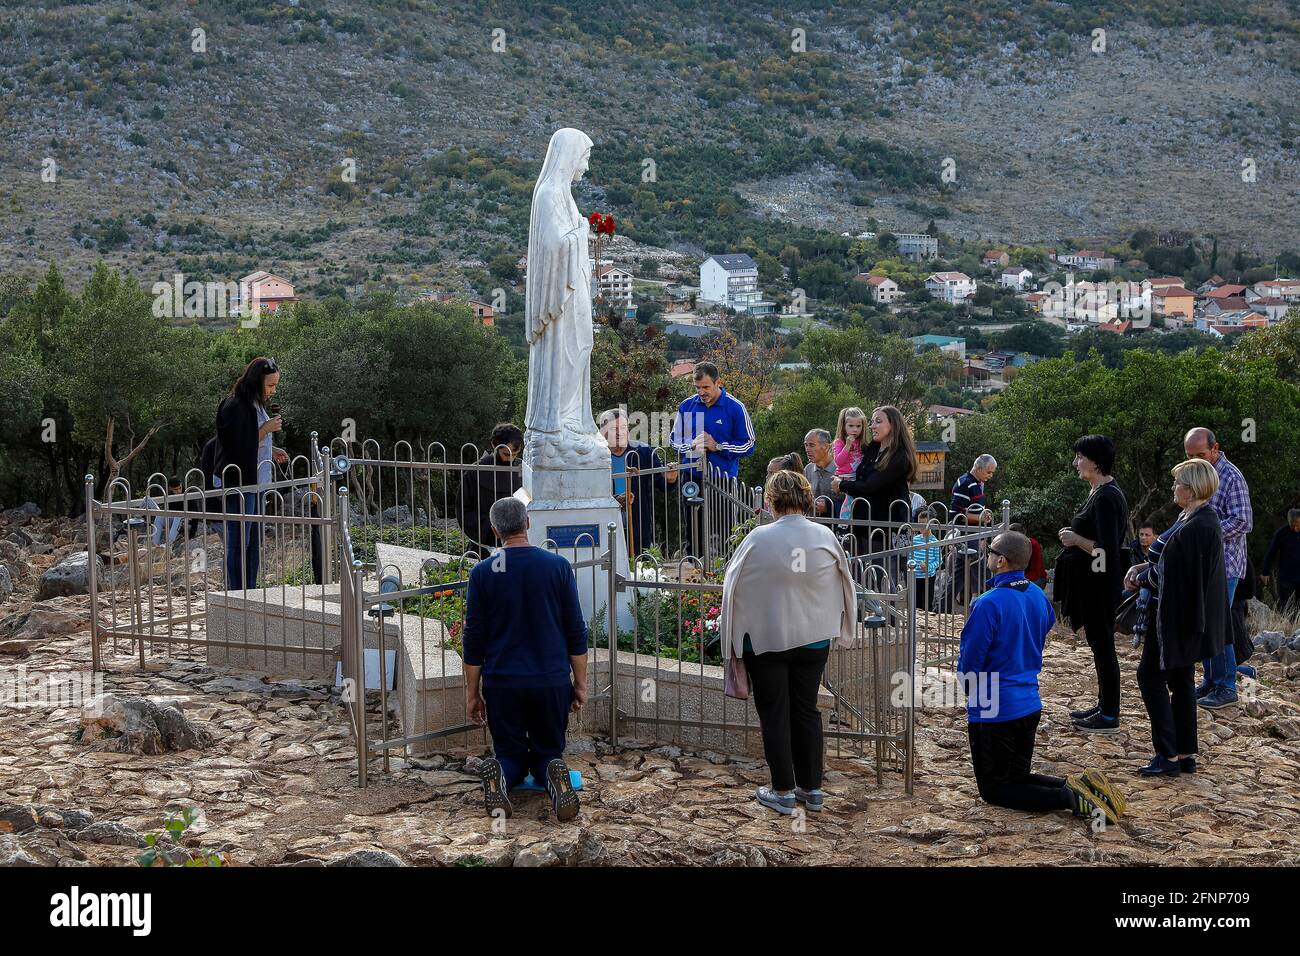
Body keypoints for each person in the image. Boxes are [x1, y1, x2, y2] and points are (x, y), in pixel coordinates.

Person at [960, 530, 1123, 824]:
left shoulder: (987, 603)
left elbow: (971, 661)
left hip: (995, 707)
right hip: (1029, 702)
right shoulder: (1036, 595)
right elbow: (1046, 623)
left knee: (995, 789)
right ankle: (1079, 786)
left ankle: (1069, 798)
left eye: (991, 552)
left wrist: (969, 692)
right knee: (1017, 776)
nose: (988, 556)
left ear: (1001, 562)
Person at [719, 470, 856, 815]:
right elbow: (845, 582)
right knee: (806, 710)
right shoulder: (824, 535)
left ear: (770, 500)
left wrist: (732, 640)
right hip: (813, 640)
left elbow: (732, 587)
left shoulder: (758, 539)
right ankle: (812, 790)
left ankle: (781, 790)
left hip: (767, 640)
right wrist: (843, 625)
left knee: (775, 714)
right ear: (808, 498)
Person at [464, 497, 588, 822]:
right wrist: (581, 684)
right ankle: (554, 773)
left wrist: (472, 693)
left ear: (494, 530)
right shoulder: (557, 567)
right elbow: (575, 630)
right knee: (548, 750)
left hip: (504, 681)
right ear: (528, 522)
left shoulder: (482, 573)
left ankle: (501, 777)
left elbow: (474, 639)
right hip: (550, 679)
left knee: (509, 752)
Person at [1125, 459, 1226, 775]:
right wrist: (1140, 568)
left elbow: (1174, 576)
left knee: (1150, 677)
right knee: (1180, 680)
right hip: (1179, 614)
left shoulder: (1199, 526)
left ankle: (1167, 755)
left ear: (1192, 489)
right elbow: (1167, 565)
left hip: (1174, 617)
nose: (1173, 487)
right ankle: (1183, 753)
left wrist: (1141, 579)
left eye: (1178, 482)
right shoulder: (1192, 518)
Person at [1054, 434, 1129, 733]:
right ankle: (1103, 704)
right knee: (1099, 646)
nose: (1075, 463)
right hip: (1094, 585)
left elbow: (1106, 550)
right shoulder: (1099, 492)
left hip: (1100, 587)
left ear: (1096, 461)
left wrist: (1075, 540)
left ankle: (1110, 714)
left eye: (1080, 457)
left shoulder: (1108, 497)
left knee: (1104, 647)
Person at [1184, 427, 1252, 709]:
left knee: (1219, 626)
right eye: (1189, 456)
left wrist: (1205, 530)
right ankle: (1211, 681)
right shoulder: (1195, 475)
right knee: (1206, 626)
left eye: (1200, 455)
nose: (1195, 461)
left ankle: (1227, 686)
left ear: (1215, 449)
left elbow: (1243, 521)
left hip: (1225, 566)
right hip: (1203, 566)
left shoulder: (1231, 477)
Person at [214, 357, 288, 590]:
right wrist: (266, 430)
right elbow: (235, 444)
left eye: (275, 386)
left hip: (256, 483)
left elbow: (252, 438)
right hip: (241, 484)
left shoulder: (253, 402)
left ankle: (250, 589)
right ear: (256, 382)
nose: (273, 391)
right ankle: (237, 592)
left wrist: (271, 448)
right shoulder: (235, 405)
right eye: (270, 386)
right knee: (239, 542)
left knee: (253, 542)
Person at [669, 361, 755, 555]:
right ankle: (694, 570)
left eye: (706, 387)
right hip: (691, 476)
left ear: (719, 383)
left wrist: (717, 446)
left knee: (724, 528)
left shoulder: (735, 407)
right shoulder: (686, 406)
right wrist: (690, 445)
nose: (701, 392)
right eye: (697, 388)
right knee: (693, 527)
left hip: (722, 478)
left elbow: (749, 445)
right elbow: (674, 440)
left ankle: (724, 570)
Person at [832, 405, 918, 559]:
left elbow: (870, 486)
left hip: (886, 528)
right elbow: (857, 474)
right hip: (863, 525)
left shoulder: (900, 456)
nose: (872, 426)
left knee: (884, 576)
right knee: (860, 575)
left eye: (878, 421)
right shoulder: (873, 447)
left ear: (893, 425)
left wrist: (842, 485)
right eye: (872, 422)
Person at [597, 407, 678, 556]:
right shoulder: (595, 456)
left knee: (640, 565)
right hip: (605, 522)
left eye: (623, 427)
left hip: (638, 522)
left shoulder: (643, 451)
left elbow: (662, 485)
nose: (620, 432)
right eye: (614, 429)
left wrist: (671, 479)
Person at [459, 423, 524, 555]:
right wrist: (491, 529)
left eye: (516, 454)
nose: (511, 459)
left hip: (517, 542)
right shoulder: (474, 472)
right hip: (484, 544)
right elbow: (464, 509)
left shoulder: (522, 469)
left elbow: (527, 500)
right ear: (494, 445)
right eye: (506, 454)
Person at [832, 407, 867, 523]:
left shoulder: (861, 443)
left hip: (857, 478)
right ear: (844, 426)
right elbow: (838, 462)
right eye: (851, 426)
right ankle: (844, 523)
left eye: (858, 426)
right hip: (845, 477)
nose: (855, 430)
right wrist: (847, 446)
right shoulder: (839, 442)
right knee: (849, 501)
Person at [1261, 509, 1300, 614]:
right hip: (1286, 578)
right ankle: (1289, 629)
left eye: (1298, 525)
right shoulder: (1281, 533)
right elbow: (1271, 552)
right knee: (1288, 609)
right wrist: (1265, 572)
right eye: (1292, 526)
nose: (1295, 528)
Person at [802, 428, 842, 519]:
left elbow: (850, 503)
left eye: (811, 445)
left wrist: (829, 507)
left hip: (835, 528)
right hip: (812, 527)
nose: (807, 449)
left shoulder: (840, 469)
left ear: (827, 447)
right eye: (806, 445)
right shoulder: (808, 469)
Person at [951, 454, 997, 523]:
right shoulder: (965, 484)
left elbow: (974, 508)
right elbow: (955, 514)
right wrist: (980, 517)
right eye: (988, 472)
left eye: (992, 472)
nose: (991, 475)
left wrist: (984, 514)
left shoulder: (979, 483)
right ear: (978, 469)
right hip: (965, 532)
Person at [1010, 523, 1047, 589]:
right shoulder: (1014, 546)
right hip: (1022, 577)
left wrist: (1017, 581)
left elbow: (1035, 572)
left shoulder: (1032, 544)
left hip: (1037, 579)